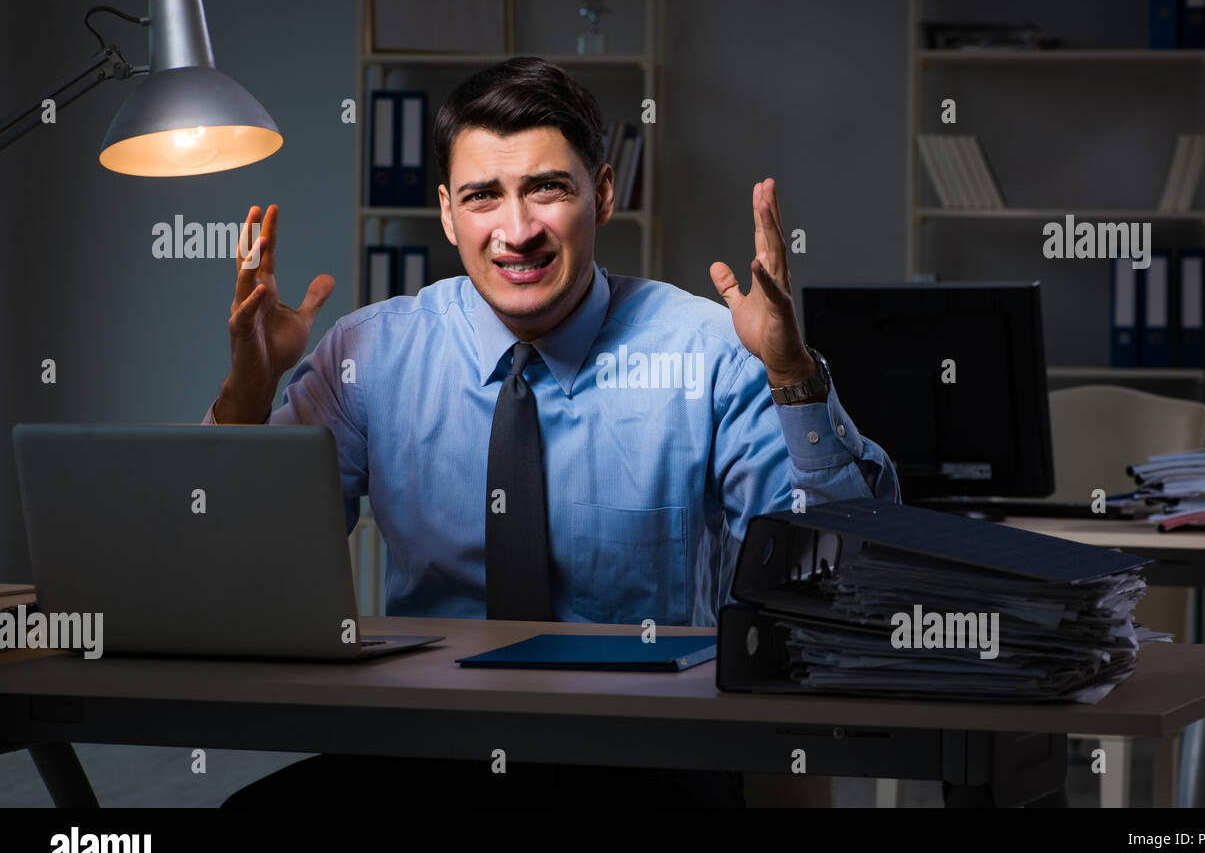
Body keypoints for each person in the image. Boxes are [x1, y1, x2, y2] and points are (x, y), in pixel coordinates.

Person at [206, 57, 898, 806]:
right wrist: (249, 389)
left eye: (546, 188)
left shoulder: (708, 350)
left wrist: (792, 377)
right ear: (446, 212)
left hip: (643, 754)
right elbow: (241, 566)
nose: (517, 230)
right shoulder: (368, 353)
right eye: (482, 196)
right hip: (429, 748)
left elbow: (842, 576)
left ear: (601, 193)